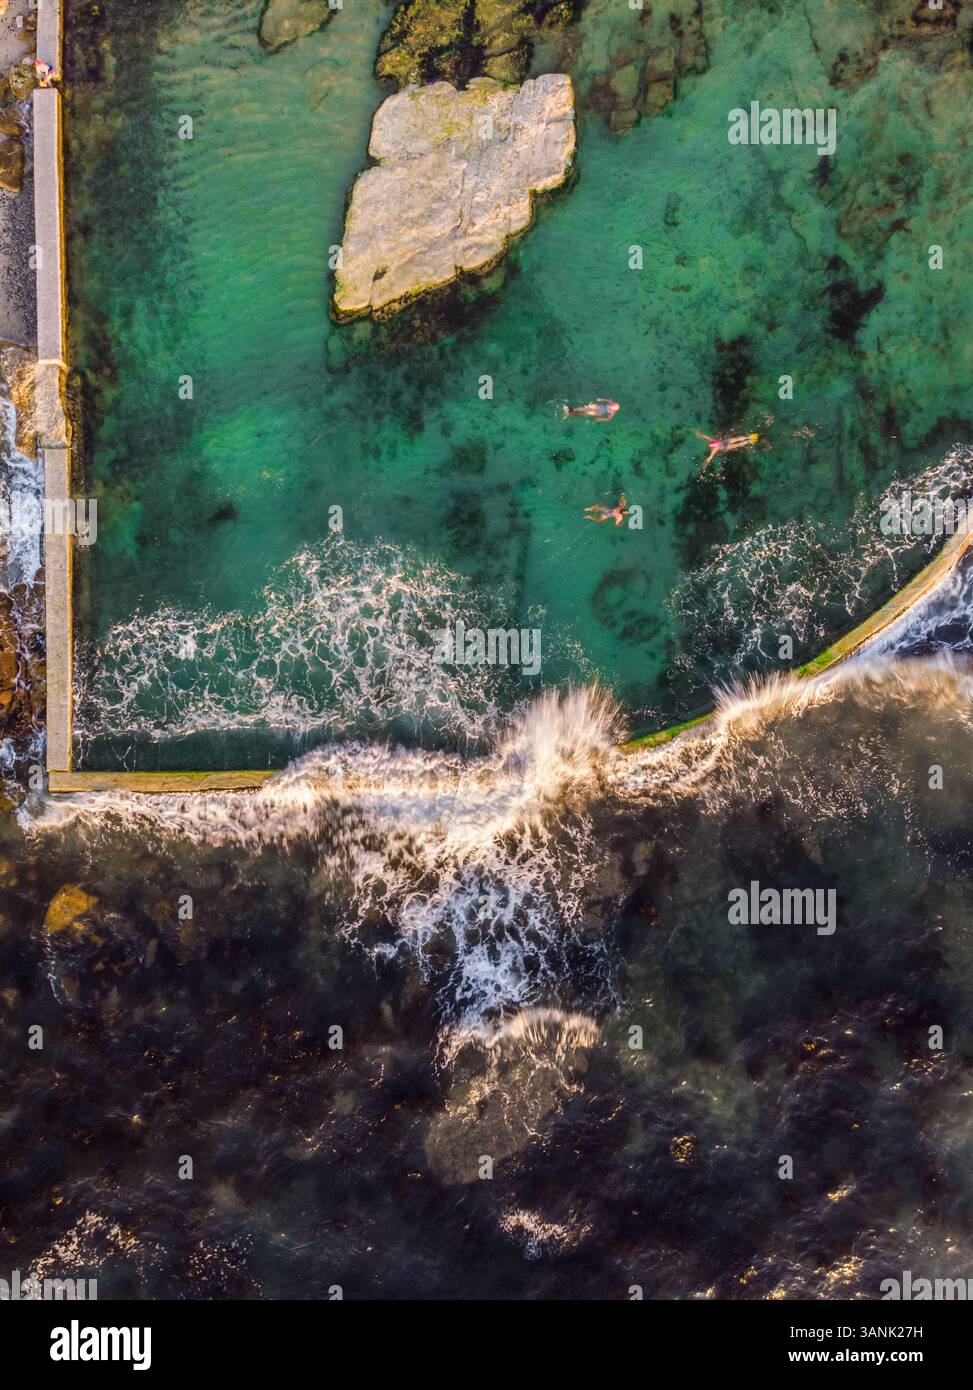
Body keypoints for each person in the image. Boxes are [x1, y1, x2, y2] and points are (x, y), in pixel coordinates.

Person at [693, 428, 760, 469]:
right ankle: (749, 437)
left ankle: (749, 441)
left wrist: (705, 463)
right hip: (726, 441)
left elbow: (710, 457)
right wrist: (699, 434)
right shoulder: (712, 440)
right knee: (737, 438)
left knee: (738, 444)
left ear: (712, 446)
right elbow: (706, 437)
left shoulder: (714, 449)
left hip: (726, 446)